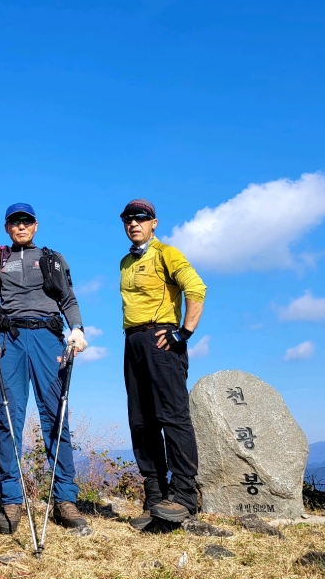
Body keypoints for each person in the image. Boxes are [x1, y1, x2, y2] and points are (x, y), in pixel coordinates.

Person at [0, 203, 89, 535]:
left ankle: (64, 500)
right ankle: (12, 502)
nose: (21, 226)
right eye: (15, 222)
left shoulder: (52, 258)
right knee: (8, 419)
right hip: (10, 339)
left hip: (48, 337)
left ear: (36, 225)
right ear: (7, 227)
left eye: (26, 221)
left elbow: (68, 299)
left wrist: (78, 329)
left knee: (56, 417)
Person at [118, 198, 207, 529]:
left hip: (162, 340)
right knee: (141, 422)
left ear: (154, 222)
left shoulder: (167, 253)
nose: (134, 223)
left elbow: (196, 287)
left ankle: (184, 496)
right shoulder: (126, 261)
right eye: (128, 218)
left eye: (141, 218)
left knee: (173, 418)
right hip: (133, 342)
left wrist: (183, 332)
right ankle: (155, 498)